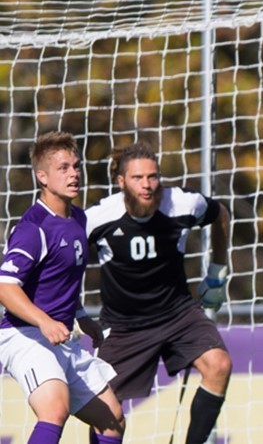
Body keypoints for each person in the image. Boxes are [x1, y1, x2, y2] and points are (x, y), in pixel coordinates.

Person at [85, 142, 233, 444]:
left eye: (153, 177)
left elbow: (222, 215)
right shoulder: (98, 218)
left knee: (219, 365)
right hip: (124, 325)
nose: (147, 185)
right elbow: (67, 258)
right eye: (138, 178)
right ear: (121, 181)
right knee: (106, 412)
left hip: (178, 314)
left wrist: (217, 272)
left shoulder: (182, 204)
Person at [0, 131, 125, 444]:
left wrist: (81, 315)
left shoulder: (78, 220)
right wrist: (44, 321)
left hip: (61, 335)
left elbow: (60, 278)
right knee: (55, 408)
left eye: (76, 166)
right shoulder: (33, 228)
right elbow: (5, 287)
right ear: (42, 176)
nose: (74, 174)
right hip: (24, 334)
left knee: (111, 420)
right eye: (64, 168)